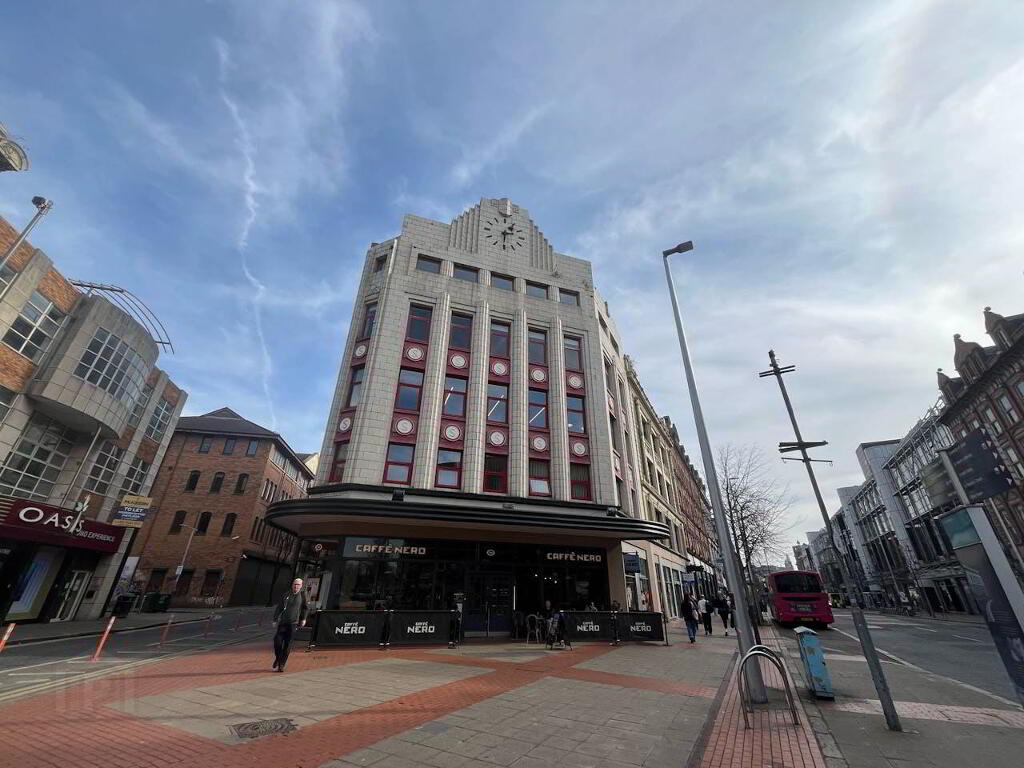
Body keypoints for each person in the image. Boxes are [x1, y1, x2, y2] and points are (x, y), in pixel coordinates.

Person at [272, 578, 309, 672]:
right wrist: (275, 619)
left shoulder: (302, 595)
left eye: (298, 585)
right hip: (283, 623)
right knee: (277, 642)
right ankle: (278, 657)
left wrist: (303, 618)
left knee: (287, 645)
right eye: (295, 584)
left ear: (301, 586)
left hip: (293, 624)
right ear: (292, 585)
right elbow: (279, 607)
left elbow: (305, 608)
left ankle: (281, 664)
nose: (296, 586)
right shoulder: (286, 594)